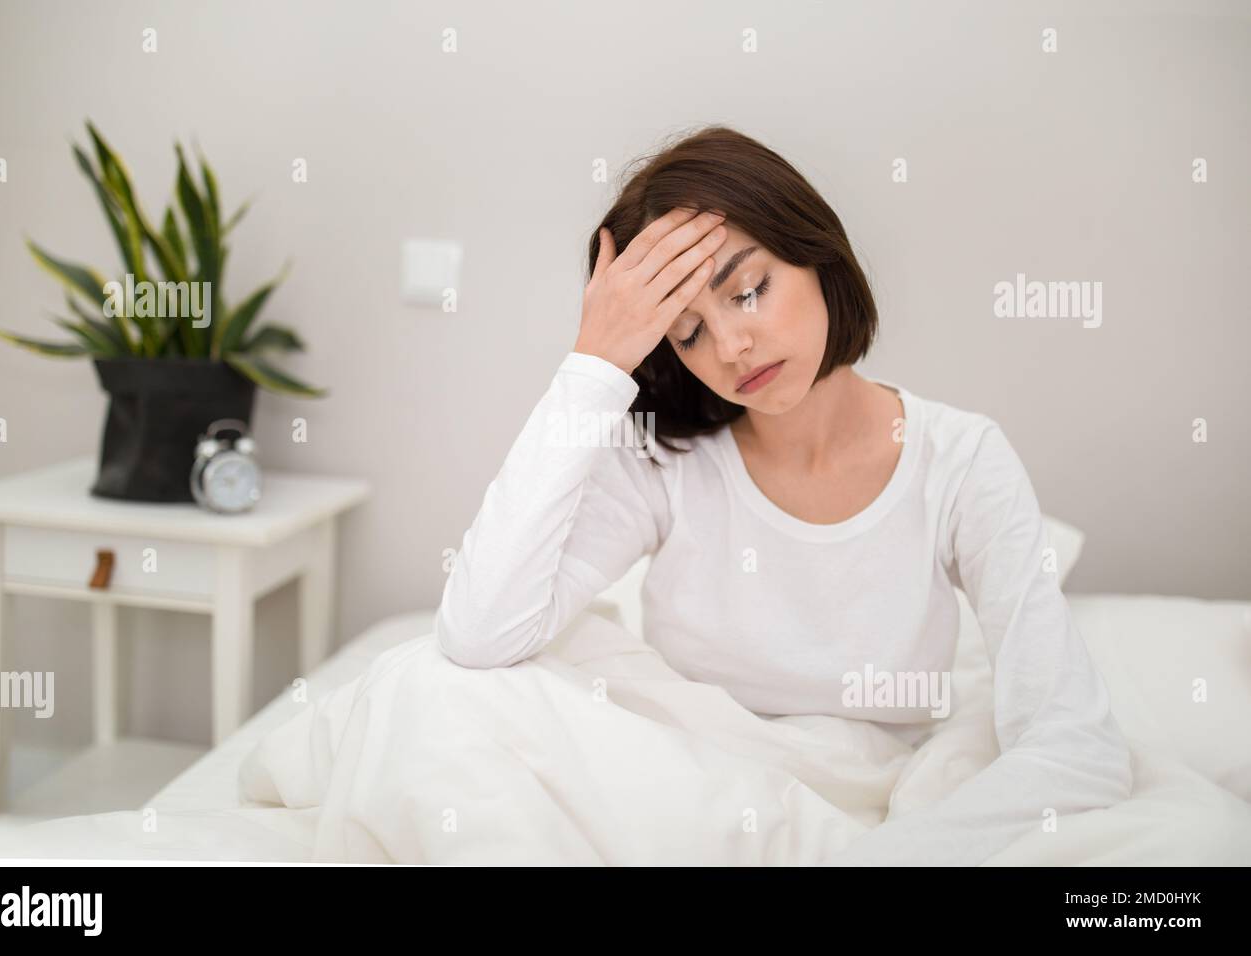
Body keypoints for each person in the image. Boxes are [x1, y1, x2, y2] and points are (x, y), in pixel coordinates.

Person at [433, 125, 1133, 865]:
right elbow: (479, 634)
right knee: (425, 686)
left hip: (874, 794)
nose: (730, 347)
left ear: (816, 252)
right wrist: (593, 363)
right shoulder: (664, 461)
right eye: (687, 332)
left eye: (748, 291)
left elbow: (1076, 747)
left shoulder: (960, 459)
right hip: (689, 784)